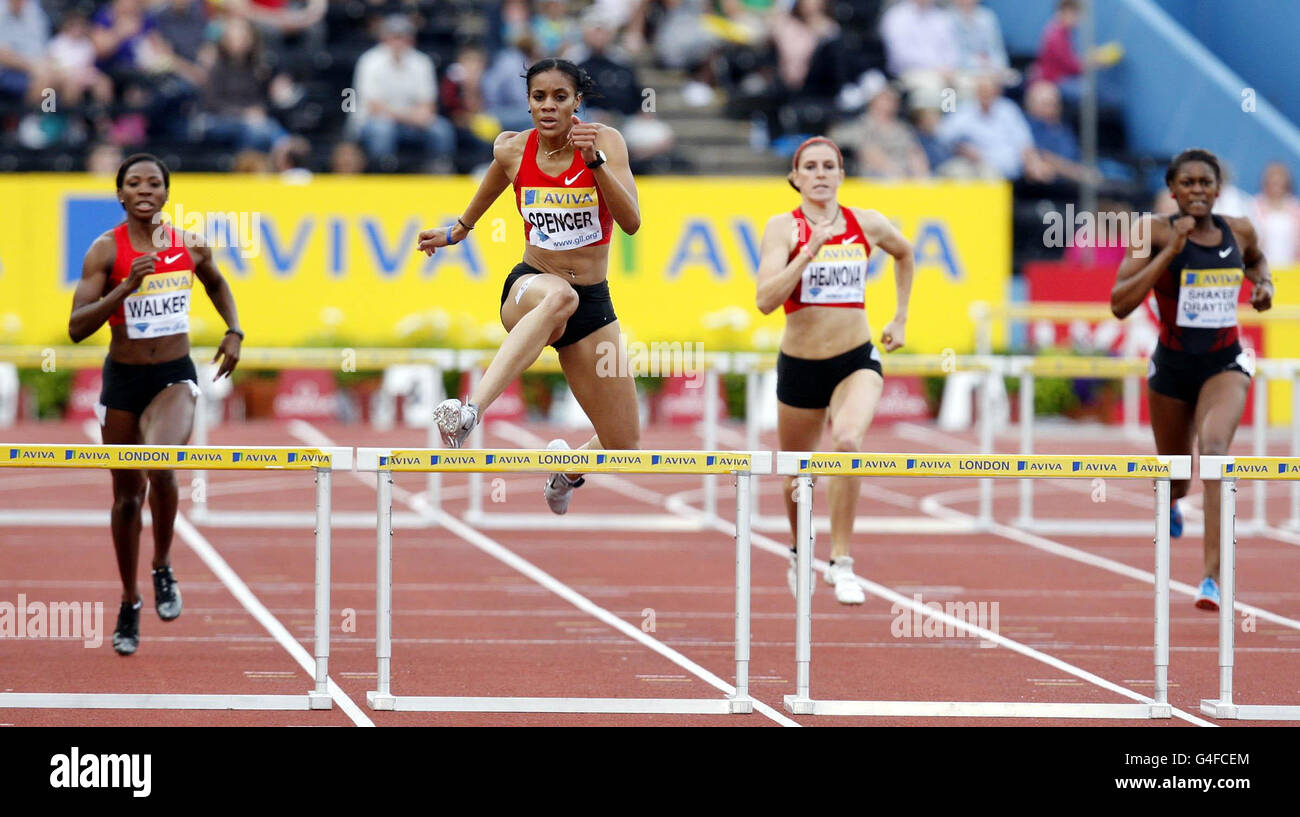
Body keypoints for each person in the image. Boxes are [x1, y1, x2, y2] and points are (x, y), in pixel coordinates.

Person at [418, 59, 641, 516]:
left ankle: (567, 471)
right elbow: (491, 187)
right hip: (531, 288)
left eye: (560, 97)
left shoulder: (606, 142)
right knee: (561, 294)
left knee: (625, 444)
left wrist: (594, 164)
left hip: (592, 303)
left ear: (577, 101)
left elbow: (632, 222)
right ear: (528, 102)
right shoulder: (511, 149)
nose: (548, 106)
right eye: (539, 97)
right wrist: (457, 231)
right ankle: (468, 414)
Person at [67, 154, 243, 655]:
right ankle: (129, 599)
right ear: (120, 194)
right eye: (133, 183)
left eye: (154, 182)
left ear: (166, 192)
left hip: (173, 375)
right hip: (122, 380)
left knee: (159, 465)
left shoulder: (189, 243)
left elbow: (216, 282)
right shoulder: (105, 251)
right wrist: (126, 287)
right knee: (126, 497)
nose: (144, 189)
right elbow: (77, 328)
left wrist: (233, 330)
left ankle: (162, 565)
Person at [1111, 148, 1273, 611]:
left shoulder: (1238, 230)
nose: (1198, 191)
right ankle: (1177, 501)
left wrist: (1264, 286)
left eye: (1206, 183)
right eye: (1188, 184)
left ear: (1218, 190)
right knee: (1177, 477)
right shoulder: (1151, 232)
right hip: (1172, 366)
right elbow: (1119, 303)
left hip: (1225, 363)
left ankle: (1213, 579)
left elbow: (1258, 262)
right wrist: (1171, 252)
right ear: (1172, 190)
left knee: (1216, 455)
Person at [755, 136, 915, 604]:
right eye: (812, 166)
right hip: (801, 365)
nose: (821, 173)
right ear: (796, 177)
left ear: (842, 175)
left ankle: (841, 562)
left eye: (830, 166)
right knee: (797, 473)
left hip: (855, 358)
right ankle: (798, 548)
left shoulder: (866, 223)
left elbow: (905, 253)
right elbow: (765, 301)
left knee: (847, 441)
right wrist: (809, 252)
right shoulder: (782, 229)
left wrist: (900, 316)